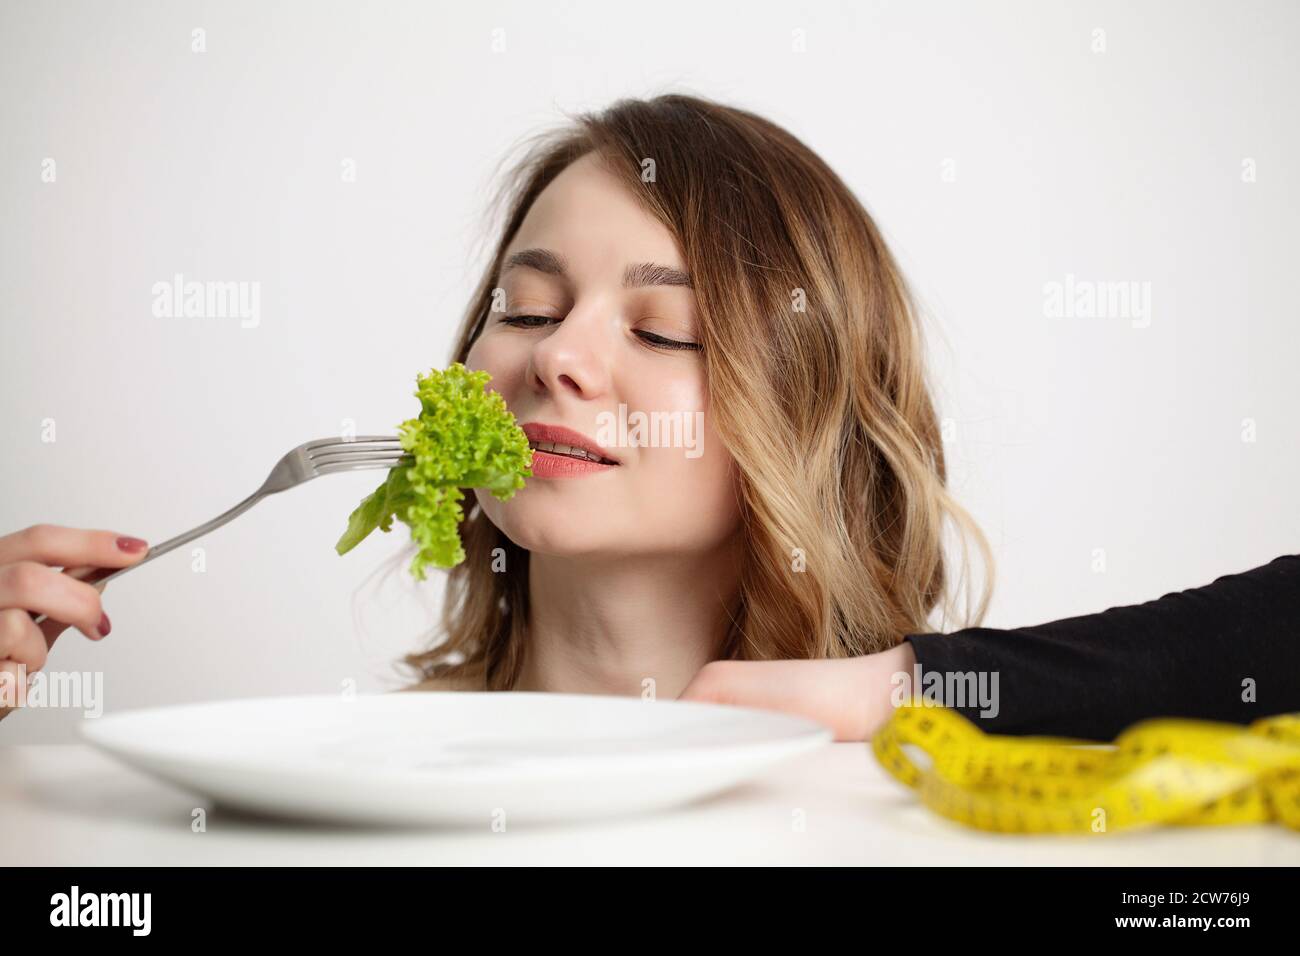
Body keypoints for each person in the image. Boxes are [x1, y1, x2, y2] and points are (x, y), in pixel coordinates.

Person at [4, 95, 1296, 738]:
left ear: (813, 420)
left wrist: (911, 692)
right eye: (522, 308)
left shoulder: (947, 773)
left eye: (662, 329)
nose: (559, 359)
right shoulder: (358, 771)